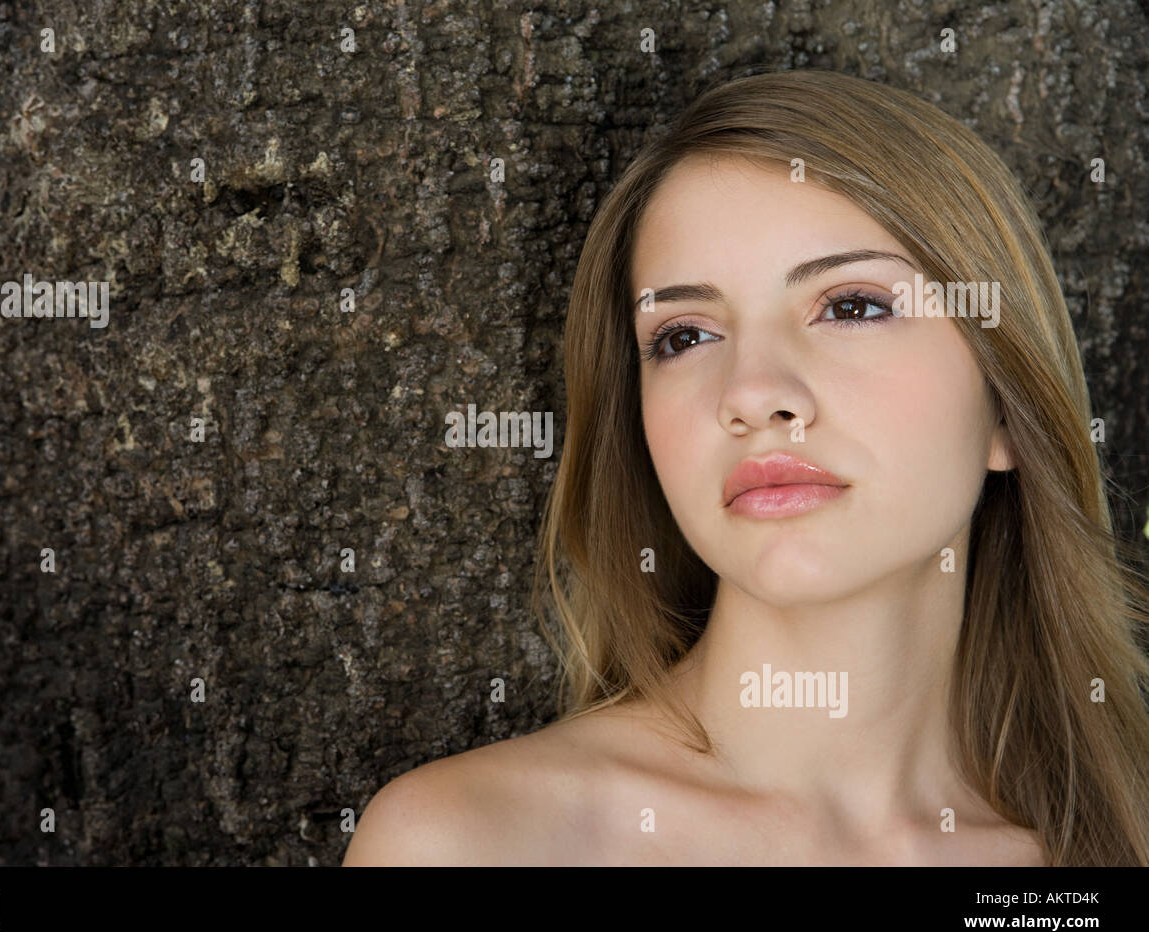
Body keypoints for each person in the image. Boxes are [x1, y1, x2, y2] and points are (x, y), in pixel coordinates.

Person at [343, 69, 1149, 866]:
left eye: (852, 306)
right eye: (684, 336)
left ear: (1006, 406)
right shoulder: (473, 843)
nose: (753, 394)